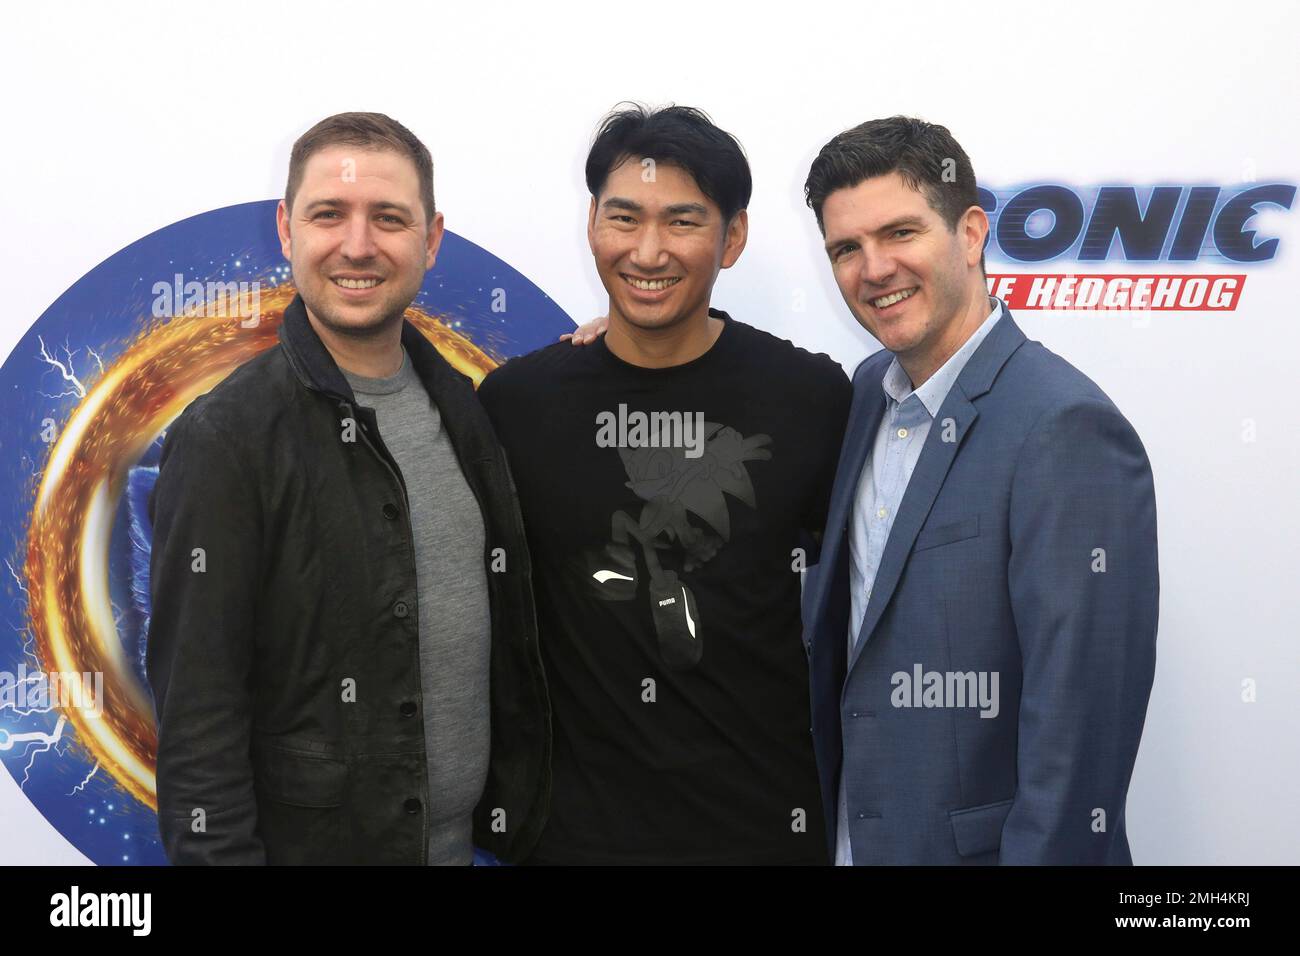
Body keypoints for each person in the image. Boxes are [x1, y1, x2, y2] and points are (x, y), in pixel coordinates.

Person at [146, 112, 549, 865]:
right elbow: (199, 721)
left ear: (429, 240)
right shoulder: (226, 439)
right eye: (328, 214)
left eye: (389, 219)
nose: (357, 245)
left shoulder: (467, 410)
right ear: (286, 229)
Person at [477, 104, 851, 864]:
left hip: (760, 834)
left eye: (682, 221)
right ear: (592, 225)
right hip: (567, 841)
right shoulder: (516, 405)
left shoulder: (811, 398)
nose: (648, 251)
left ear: (733, 237)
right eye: (625, 218)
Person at [800, 116, 1159, 864]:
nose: (874, 269)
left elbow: (1080, 733)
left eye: (900, 233)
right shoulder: (869, 390)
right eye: (846, 249)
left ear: (969, 233)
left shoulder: (1066, 427)